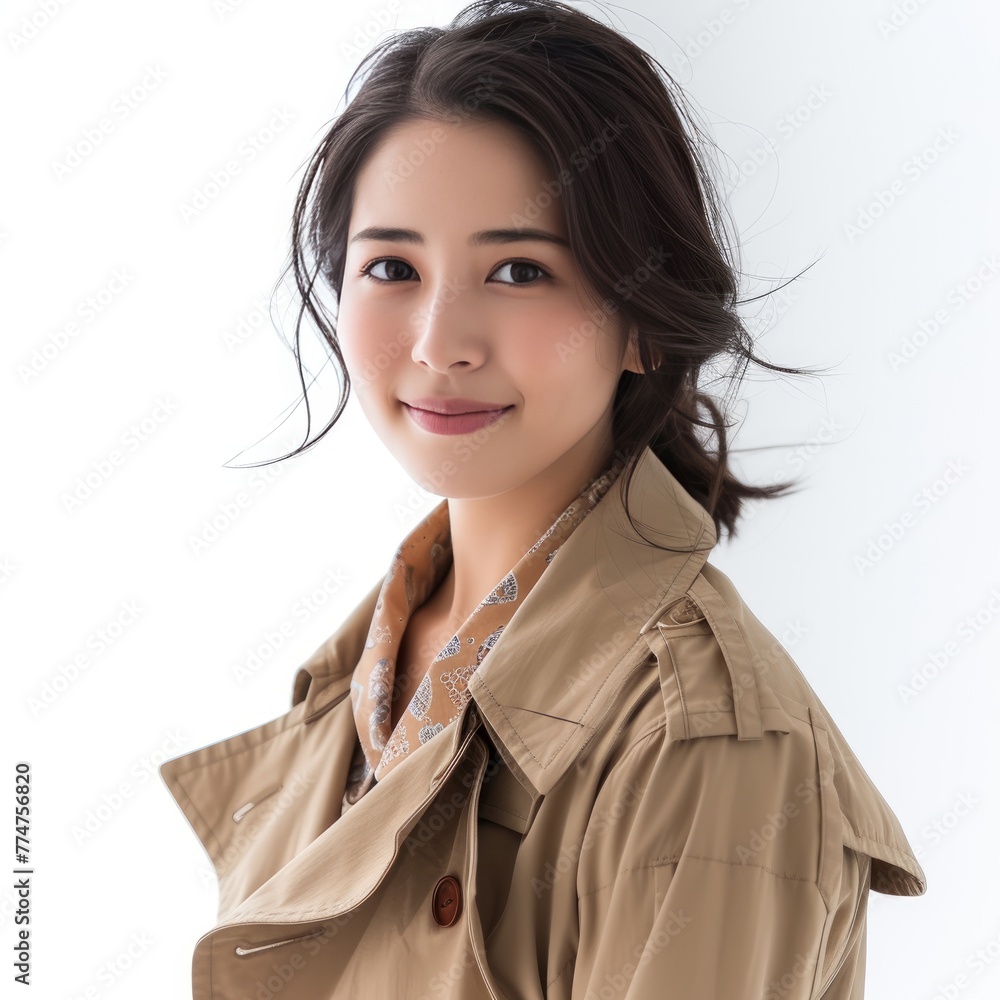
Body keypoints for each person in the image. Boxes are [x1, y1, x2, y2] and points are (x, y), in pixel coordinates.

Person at [160, 1, 926, 996]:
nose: (439, 340)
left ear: (645, 320)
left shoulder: (703, 748)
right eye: (392, 266)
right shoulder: (364, 674)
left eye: (519, 270)